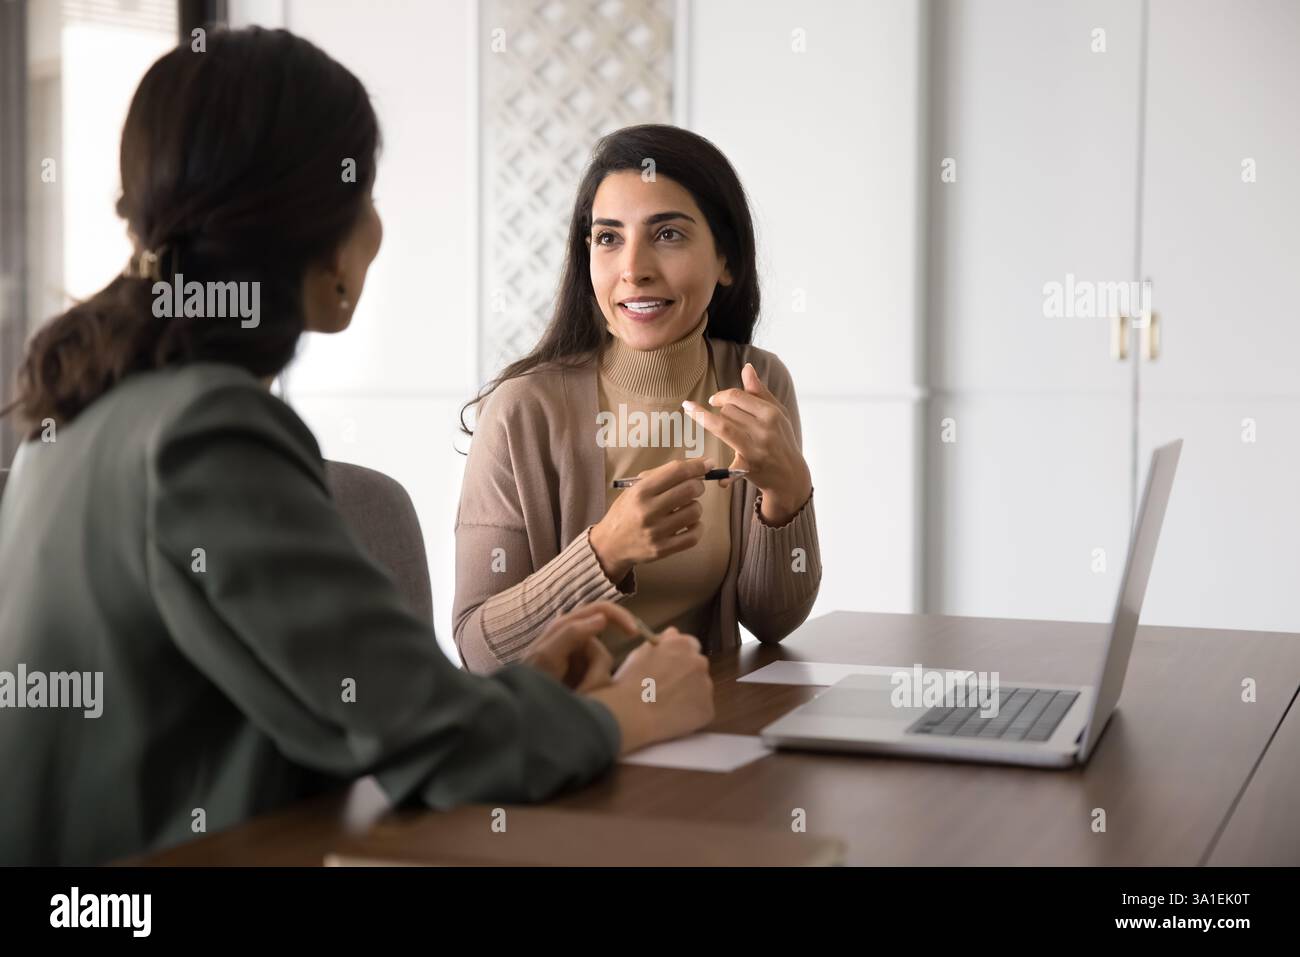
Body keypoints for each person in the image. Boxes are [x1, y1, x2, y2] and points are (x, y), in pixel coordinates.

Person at [0, 27, 712, 866]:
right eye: (361, 192)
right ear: (315, 223)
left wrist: (520, 695)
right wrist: (632, 712)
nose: (375, 224)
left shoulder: (84, 415)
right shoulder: (206, 432)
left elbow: (363, 710)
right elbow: (429, 740)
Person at [454, 124, 822, 673]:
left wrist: (787, 493)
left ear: (726, 260)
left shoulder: (755, 381)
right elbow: (478, 650)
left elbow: (772, 622)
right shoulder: (523, 409)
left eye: (668, 234)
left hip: (706, 719)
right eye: (608, 238)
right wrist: (607, 550)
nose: (633, 269)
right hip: (574, 737)